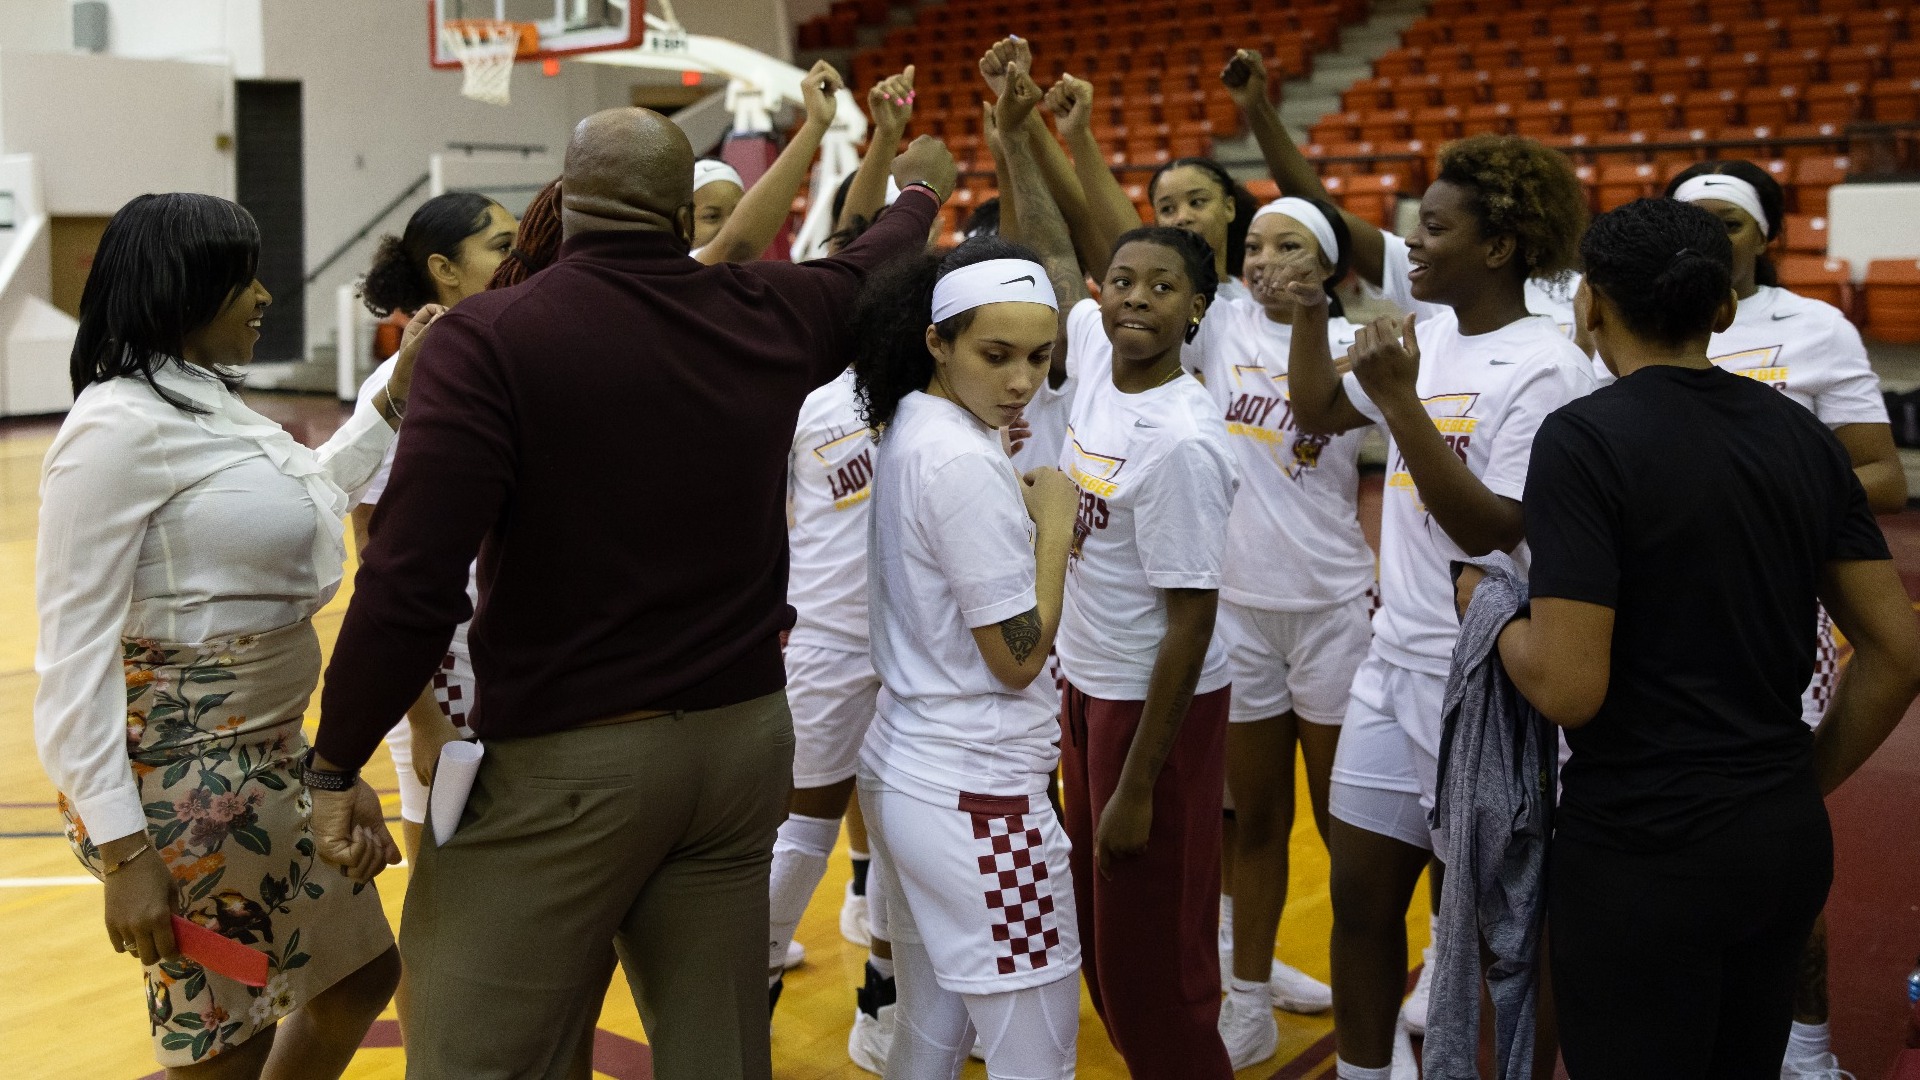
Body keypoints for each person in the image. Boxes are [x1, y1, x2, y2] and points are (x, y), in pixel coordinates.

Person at [303, 102, 956, 1080]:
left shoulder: (491, 340)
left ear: (565, 198)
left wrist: (331, 763)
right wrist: (922, 190)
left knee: (472, 1052)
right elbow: (869, 263)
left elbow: (408, 582)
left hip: (565, 763)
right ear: (677, 205)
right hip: (738, 749)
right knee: (717, 1049)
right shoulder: (767, 310)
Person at [1458, 195, 1920, 1077]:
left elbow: (1567, 685)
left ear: (1589, 304)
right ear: (1721, 309)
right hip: (1777, 839)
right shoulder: (1803, 436)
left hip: (1641, 851)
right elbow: (1899, 653)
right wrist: (1798, 778)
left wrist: (1488, 610)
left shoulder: (1585, 439)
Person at [35, 192, 411, 1077]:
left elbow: (303, 499)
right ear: (181, 287)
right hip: (179, 786)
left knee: (359, 975)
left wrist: (393, 399)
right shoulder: (113, 430)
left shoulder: (209, 404)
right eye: (241, 278)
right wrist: (127, 851)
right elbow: (73, 654)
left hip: (267, 757)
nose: (264, 296)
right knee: (223, 1048)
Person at [1279, 132, 1594, 1080]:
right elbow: (1318, 411)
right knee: (1361, 903)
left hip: (1493, 688)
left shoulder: (1547, 368)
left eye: (1437, 229)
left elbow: (1495, 530)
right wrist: (1309, 313)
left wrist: (1402, 404)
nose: (1412, 247)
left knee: (1507, 935)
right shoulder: (1432, 339)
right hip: (1392, 666)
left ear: (1499, 247)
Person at [995, 62, 1242, 1079]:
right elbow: (1055, 253)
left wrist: (1139, 784)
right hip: (1089, 688)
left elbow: (1190, 623)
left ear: (1197, 312)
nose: (1132, 298)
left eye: (1161, 288)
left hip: (1156, 714)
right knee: (1108, 943)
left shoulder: (1183, 440)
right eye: (1124, 282)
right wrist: (1015, 131)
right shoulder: (1095, 345)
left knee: (1156, 973)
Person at [1661, 160, 1907, 1080]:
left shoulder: (1814, 328)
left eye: (1730, 222)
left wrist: (1753, 500)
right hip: (1655, 616)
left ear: (1765, 234)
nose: (1712, 239)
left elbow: (1881, 475)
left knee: (1778, 847)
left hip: (1772, 613)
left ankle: (1805, 1049)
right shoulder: (1636, 321)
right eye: (1694, 222)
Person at [851, 232, 1084, 1080]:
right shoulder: (958, 457)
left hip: (912, 767)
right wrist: (1055, 525)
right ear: (936, 341)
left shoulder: (918, 419)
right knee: (1037, 1056)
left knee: (931, 1033)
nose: (1021, 380)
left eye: (1038, 357)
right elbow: (1017, 658)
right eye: (996, 355)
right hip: (976, 794)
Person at [1183, 195, 1372, 1067]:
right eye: (1253, 245)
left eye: (1287, 245)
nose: (1262, 259)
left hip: (1330, 608)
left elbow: (1313, 403)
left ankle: (1374, 1010)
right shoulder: (1215, 324)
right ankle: (1249, 999)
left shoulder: (1360, 347)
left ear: (1329, 264)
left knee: (1348, 831)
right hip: (1237, 609)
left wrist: (1308, 315)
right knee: (1254, 819)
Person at [765, 63, 917, 1074]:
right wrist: (884, 153)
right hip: (820, 635)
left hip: (917, 647)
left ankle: (887, 998)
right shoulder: (798, 386)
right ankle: (745, 972)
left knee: (906, 840)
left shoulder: (933, 396)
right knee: (798, 826)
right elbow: (858, 236)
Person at [352, 190, 517, 862]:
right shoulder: (396, 389)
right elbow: (373, 559)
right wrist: (422, 715)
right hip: (444, 664)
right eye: (502, 247)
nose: (522, 259)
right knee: (445, 880)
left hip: (518, 657)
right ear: (446, 270)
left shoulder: (513, 357)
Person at [692, 59, 851, 263]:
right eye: (712, 216)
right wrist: (816, 124)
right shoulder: (687, 268)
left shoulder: (756, 278)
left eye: (738, 214)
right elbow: (738, 242)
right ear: (682, 224)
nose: (729, 228)